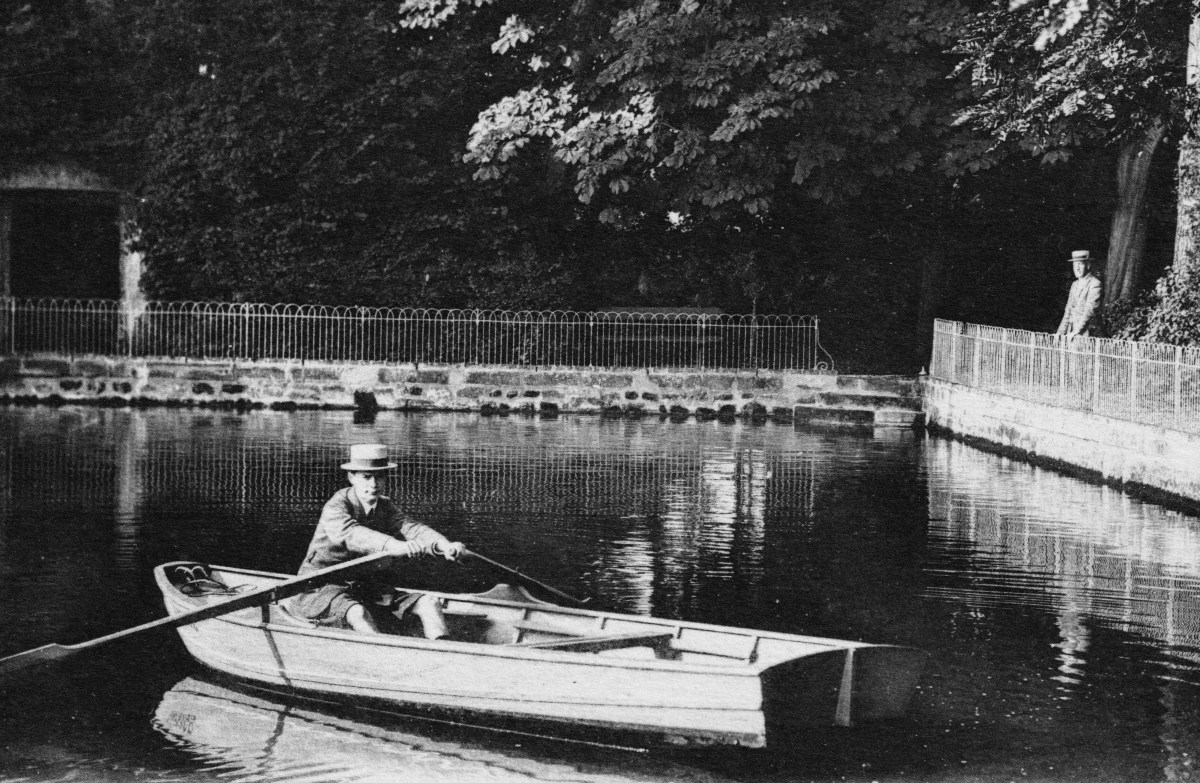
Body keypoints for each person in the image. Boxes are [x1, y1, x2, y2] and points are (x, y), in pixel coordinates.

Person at [289, 443, 465, 637]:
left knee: (430, 602)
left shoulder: (384, 506)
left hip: (364, 586)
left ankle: (440, 648)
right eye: (366, 477)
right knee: (358, 613)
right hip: (320, 587)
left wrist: (444, 545)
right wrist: (393, 546)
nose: (373, 484)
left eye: (379, 477)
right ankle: (382, 658)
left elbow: (412, 528)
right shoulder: (336, 506)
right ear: (351, 478)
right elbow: (351, 534)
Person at [1055, 249, 1103, 338]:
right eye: (1075, 264)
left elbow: (1089, 311)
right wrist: (1060, 332)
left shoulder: (1095, 284)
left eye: (1080, 264)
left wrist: (1075, 332)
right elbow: (1068, 311)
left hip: (1087, 334)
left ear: (1087, 265)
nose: (1077, 268)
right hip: (1071, 332)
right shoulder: (1074, 285)